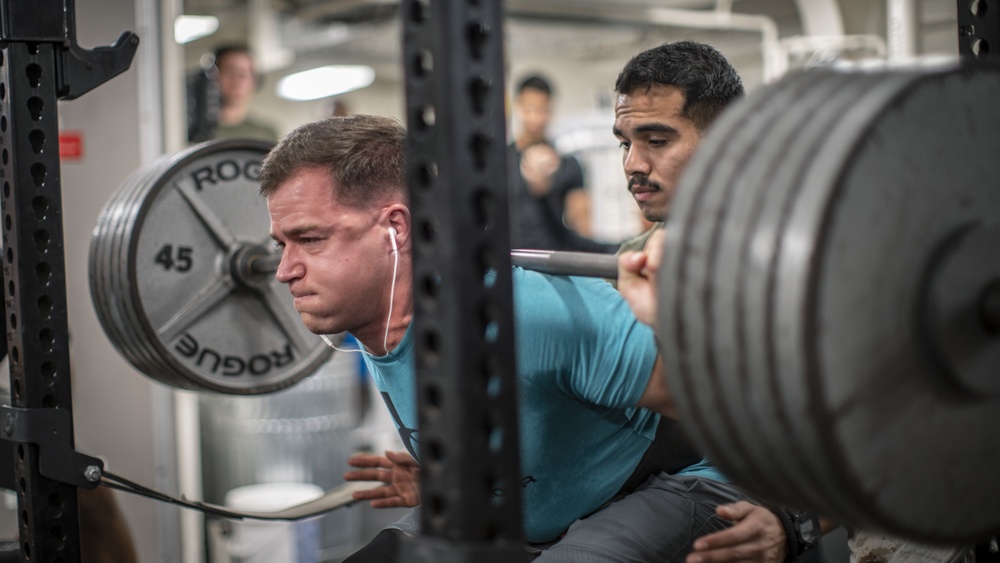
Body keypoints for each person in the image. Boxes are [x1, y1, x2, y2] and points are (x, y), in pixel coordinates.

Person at [262, 114, 753, 562]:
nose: (285, 271)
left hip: (682, 481)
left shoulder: (530, 312)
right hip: (537, 512)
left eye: (310, 240)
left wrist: (794, 518)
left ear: (395, 228)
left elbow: (744, 407)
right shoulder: (376, 316)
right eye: (281, 244)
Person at [612, 40, 834, 563]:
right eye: (623, 142)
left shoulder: (798, 252)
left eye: (656, 140)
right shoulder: (634, 257)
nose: (632, 165)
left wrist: (796, 524)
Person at [508, 75, 616, 253]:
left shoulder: (568, 164)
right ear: (519, 106)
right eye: (531, 109)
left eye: (543, 110)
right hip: (512, 264)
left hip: (556, 264)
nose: (537, 118)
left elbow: (581, 224)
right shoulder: (501, 161)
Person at [210, 45, 278, 143]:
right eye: (230, 72)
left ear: (255, 81)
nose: (237, 82)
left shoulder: (265, 134)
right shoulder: (195, 133)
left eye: (244, 74)